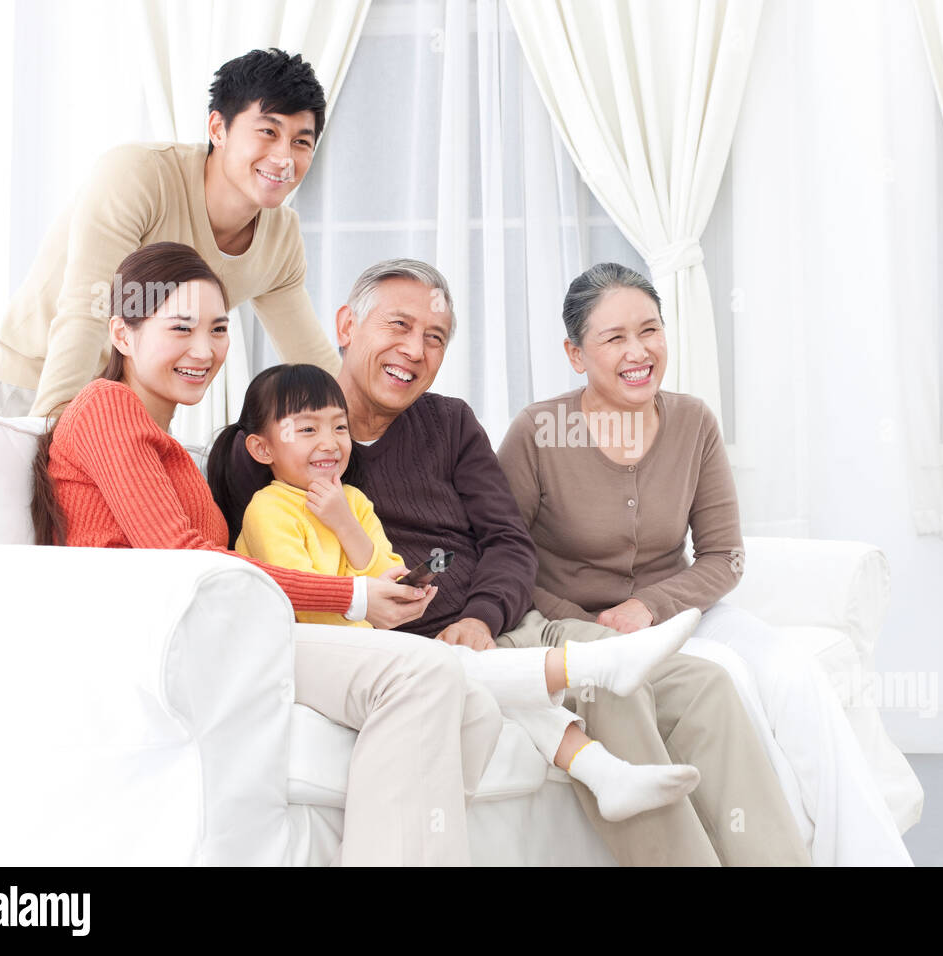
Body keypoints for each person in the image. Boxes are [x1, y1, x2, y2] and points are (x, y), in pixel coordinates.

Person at [224, 258, 813, 866]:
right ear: (347, 325)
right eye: (397, 326)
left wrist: (482, 615)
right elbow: (257, 562)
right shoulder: (285, 437)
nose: (414, 350)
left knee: (705, 686)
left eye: (435, 337)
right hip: (432, 647)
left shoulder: (450, 424)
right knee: (609, 689)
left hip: (510, 622)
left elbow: (509, 540)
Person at [29, 242, 501, 866]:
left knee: (477, 709)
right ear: (122, 332)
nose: (205, 350)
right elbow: (183, 557)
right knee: (421, 673)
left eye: (219, 329)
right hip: (171, 642)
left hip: (223, 630)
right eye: (182, 328)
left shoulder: (162, 436)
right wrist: (355, 596)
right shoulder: (106, 410)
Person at [495, 261, 919, 866]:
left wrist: (649, 606)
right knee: (731, 687)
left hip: (678, 610)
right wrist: (592, 624)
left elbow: (724, 557)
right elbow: (505, 557)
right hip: (579, 629)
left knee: (796, 678)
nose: (638, 351)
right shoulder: (539, 432)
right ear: (575, 352)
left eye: (650, 330)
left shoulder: (692, 420)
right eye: (614, 338)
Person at [210, 363, 705, 822]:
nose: (330, 442)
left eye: (340, 427)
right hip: (324, 651)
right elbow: (308, 598)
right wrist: (370, 603)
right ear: (262, 448)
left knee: (491, 692)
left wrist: (386, 572)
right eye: (308, 429)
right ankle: (595, 667)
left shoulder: (353, 501)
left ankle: (605, 773)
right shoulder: (268, 509)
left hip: (373, 645)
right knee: (461, 671)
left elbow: (387, 570)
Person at [0, 48, 339, 419]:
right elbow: (86, 310)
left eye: (301, 142)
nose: (285, 158)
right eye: (268, 132)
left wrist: (370, 433)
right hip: (40, 384)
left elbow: (312, 362)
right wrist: (56, 425)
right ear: (218, 129)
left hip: (132, 403)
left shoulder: (280, 239)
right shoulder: (138, 176)